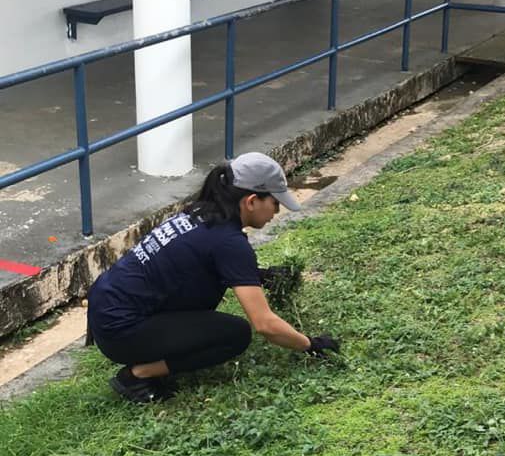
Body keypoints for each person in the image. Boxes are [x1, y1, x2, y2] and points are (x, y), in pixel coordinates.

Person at [87, 152, 340, 403]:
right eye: (275, 202)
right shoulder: (229, 243)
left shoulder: (199, 212)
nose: (277, 210)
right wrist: (310, 345)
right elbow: (264, 324)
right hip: (121, 331)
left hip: (106, 309)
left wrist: (260, 276)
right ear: (251, 201)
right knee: (235, 334)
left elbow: (198, 264)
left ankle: (146, 355)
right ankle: (137, 375)